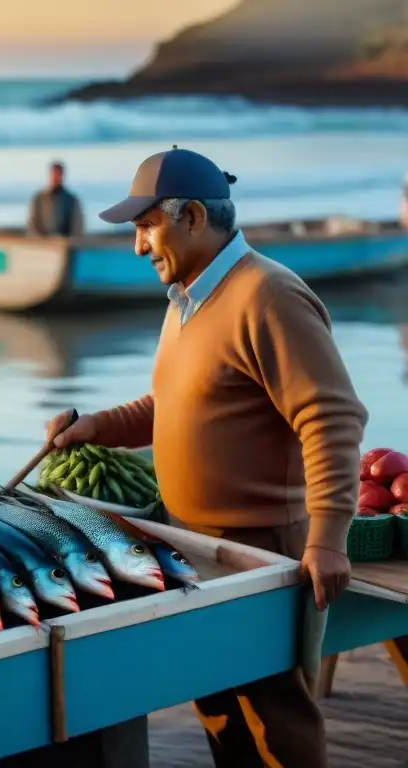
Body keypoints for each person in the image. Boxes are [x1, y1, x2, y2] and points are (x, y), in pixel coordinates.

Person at [46, 146, 367, 768]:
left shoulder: (267, 296)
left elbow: (332, 418)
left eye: (146, 226)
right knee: (218, 700)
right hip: (192, 541)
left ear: (192, 215)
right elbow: (173, 402)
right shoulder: (187, 297)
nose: (139, 247)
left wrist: (328, 538)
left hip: (261, 545)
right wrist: (96, 427)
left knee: (275, 709)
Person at [26, 160, 84, 237]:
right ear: (50, 175)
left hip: (64, 243)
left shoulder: (71, 200)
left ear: (62, 176)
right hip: (41, 243)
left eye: (58, 175)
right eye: (54, 175)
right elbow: (32, 223)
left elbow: (77, 226)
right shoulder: (38, 198)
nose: (56, 178)